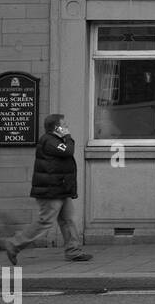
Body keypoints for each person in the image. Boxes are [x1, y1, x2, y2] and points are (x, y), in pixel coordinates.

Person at [6, 113, 92, 264]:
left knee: (68, 220)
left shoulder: (55, 140)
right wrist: (68, 136)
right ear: (57, 128)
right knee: (45, 221)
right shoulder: (49, 141)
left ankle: (73, 251)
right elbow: (68, 151)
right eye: (64, 125)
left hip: (61, 188)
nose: (67, 127)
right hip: (51, 190)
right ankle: (14, 244)